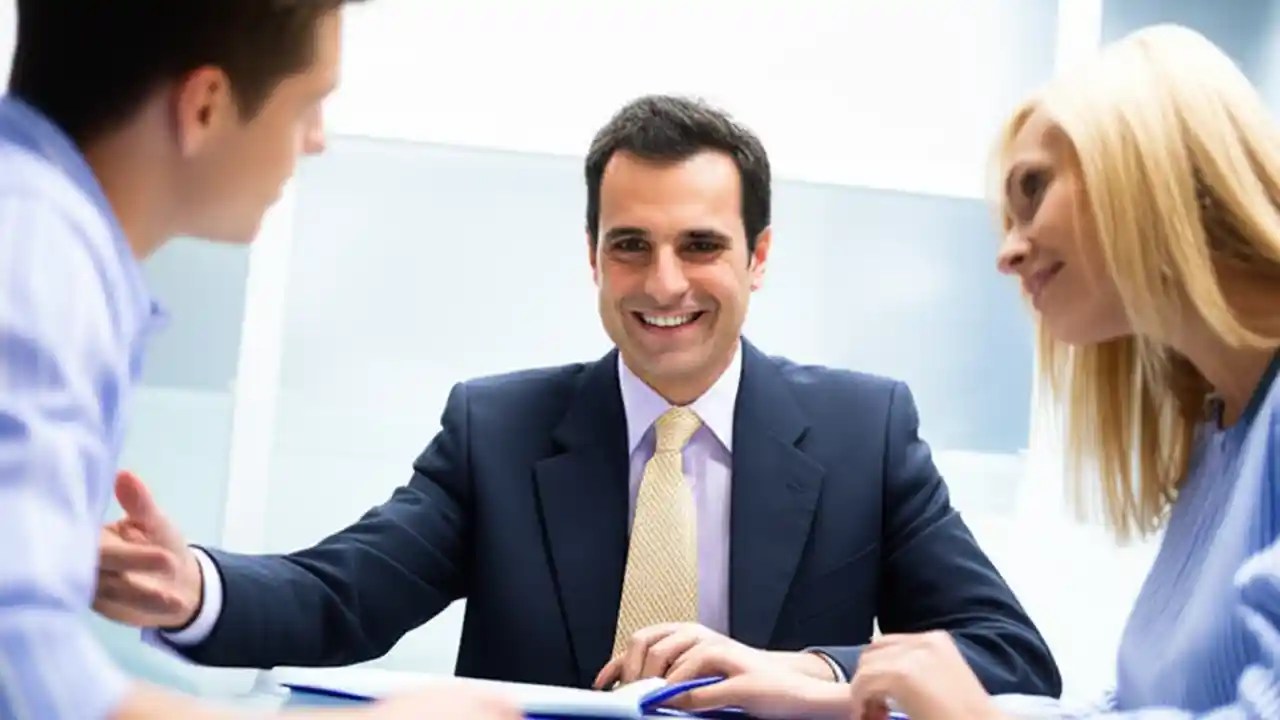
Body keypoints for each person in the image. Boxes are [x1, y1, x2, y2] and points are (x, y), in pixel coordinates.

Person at [94, 94, 1062, 699]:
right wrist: (192, 591)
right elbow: (340, 597)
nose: (663, 284)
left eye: (700, 246)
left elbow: (1006, 658)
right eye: (629, 246)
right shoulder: (496, 430)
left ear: (757, 257)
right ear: (591, 258)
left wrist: (812, 673)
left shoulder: (865, 431)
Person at [665, 22, 1280, 720]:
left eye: (1034, 190)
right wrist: (825, 695)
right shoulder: (1221, 430)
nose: (1008, 254)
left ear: (1150, 167)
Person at [0, 2, 521, 719]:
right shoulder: (35, 263)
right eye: (309, 105)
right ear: (207, 105)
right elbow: (25, 673)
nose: (316, 142)